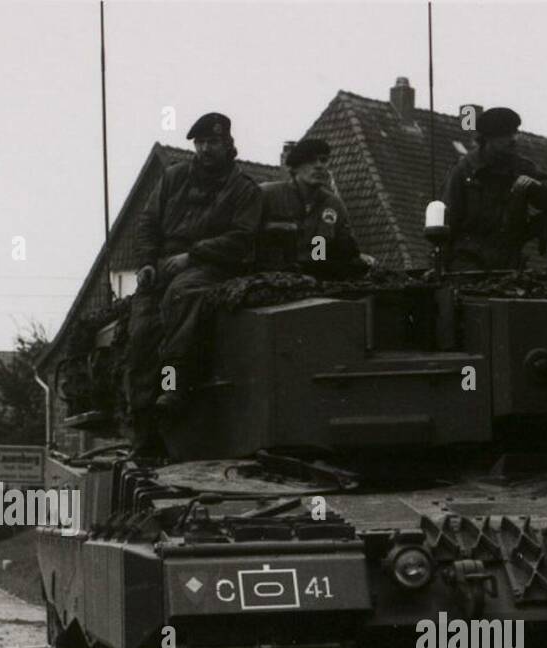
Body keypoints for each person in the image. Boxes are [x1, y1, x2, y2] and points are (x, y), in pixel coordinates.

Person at [125, 112, 263, 450]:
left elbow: (243, 239)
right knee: (141, 331)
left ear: (228, 144)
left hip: (211, 266)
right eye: (200, 143)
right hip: (163, 265)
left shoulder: (243, 189)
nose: (205, 149)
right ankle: (143, 425)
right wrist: (145, 262)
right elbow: (147, 223)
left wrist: (195, 255)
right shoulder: (173, 179)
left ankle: (173, 387)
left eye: (213, 142)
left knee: (182, 297)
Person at [440, 106, 547, 270]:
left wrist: (535, 187)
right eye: (506, 134)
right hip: (468, 264)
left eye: (515, 132)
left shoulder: (521, 167)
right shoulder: (463, 171)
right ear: (488, 138)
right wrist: (442, 266)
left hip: (509, 262)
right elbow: (448, 222)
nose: (513, 139)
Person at [255, 138, 372, 277]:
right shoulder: (266, 195)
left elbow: (343, 249)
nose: (319, 166)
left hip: (317, 277)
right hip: (269, 277)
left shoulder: (333, 205)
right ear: (295, 167)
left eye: (323, 160)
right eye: (311, 161)